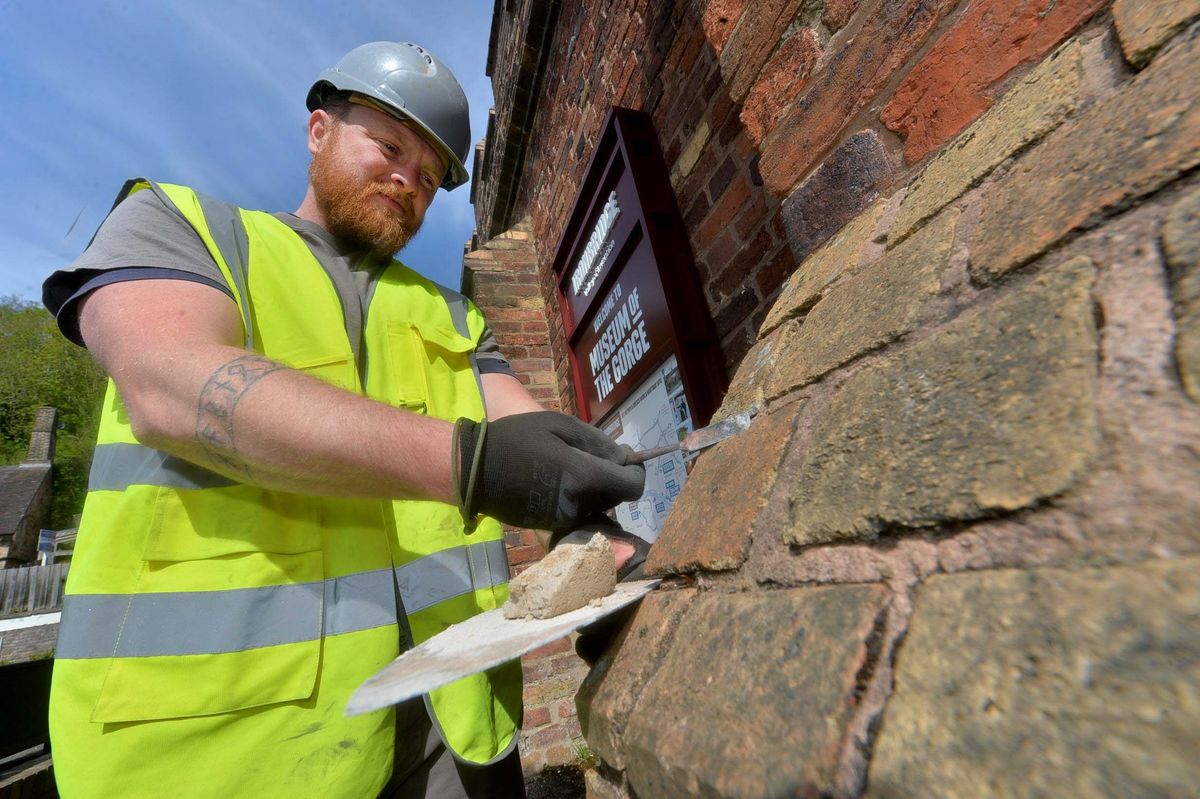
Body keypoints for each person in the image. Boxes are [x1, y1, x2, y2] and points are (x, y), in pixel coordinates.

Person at [42, 41, 646, 799]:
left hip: (456, 735)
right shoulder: (185, 228)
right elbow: (169, 385)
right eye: (390, 146)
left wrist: (590, 534)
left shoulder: (450, 312)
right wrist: (468, 463)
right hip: (218, 755)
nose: (408, 180)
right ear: (319, 130)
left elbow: (532, 446)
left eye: (430, 177)